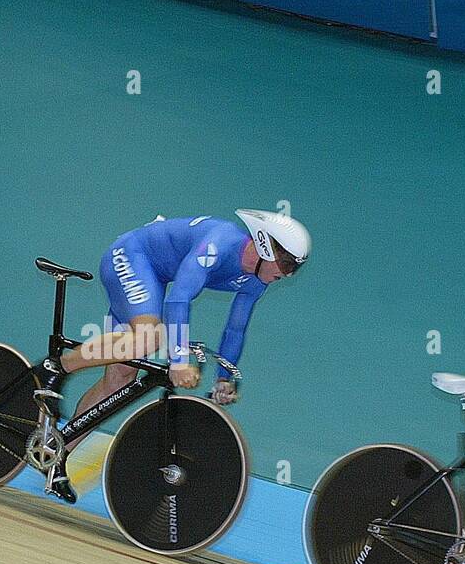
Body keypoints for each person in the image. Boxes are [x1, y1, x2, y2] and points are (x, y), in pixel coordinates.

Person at [36, 210, 311, 502]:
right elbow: (179, 298)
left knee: (119, 378)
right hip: (131, 256)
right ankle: (56, 367)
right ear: (264, 246)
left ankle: (55, 455)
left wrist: (223, 379)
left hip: (153, 276)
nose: (287, 274)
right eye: (287, 263)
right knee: (149, 338)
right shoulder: (218, 244)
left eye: (295, 268)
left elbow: (236, 328)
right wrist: (178, 360)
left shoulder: (258, 280)